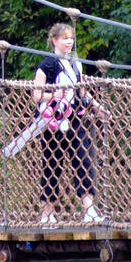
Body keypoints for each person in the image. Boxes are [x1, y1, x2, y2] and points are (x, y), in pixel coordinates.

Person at [32, 23, 106, 227]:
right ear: (54, 40)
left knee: (84, 163)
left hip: (75, 121)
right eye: (65, 38)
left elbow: (82, 92)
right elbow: (36, 95)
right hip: (54, 125)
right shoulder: (46, 65)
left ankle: (89, 211)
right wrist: (52, 94)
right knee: (52, 167)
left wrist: (98, 107)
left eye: (71, 38)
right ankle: (47, 215)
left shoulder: (75, 65)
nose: (69, 42)